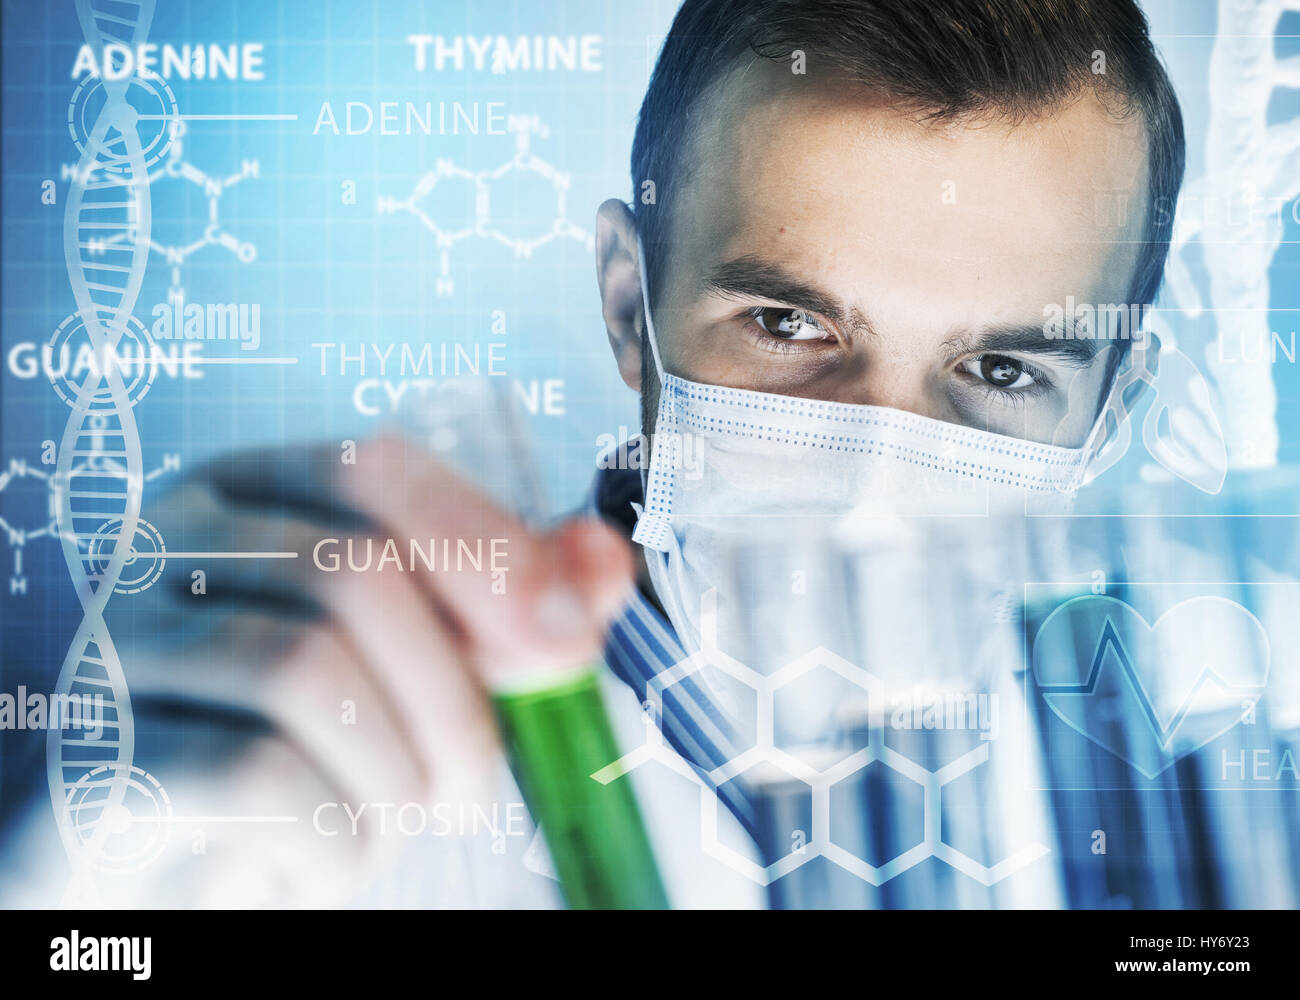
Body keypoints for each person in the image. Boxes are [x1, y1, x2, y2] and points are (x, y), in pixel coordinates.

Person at [43, 0, 1186, 906]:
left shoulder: (1200, 798)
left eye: (1001, 372)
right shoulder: (352, 768)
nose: (874, 489)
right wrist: (92, 872)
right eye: (789, 326)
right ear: (628, 301)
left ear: (1114, 409)